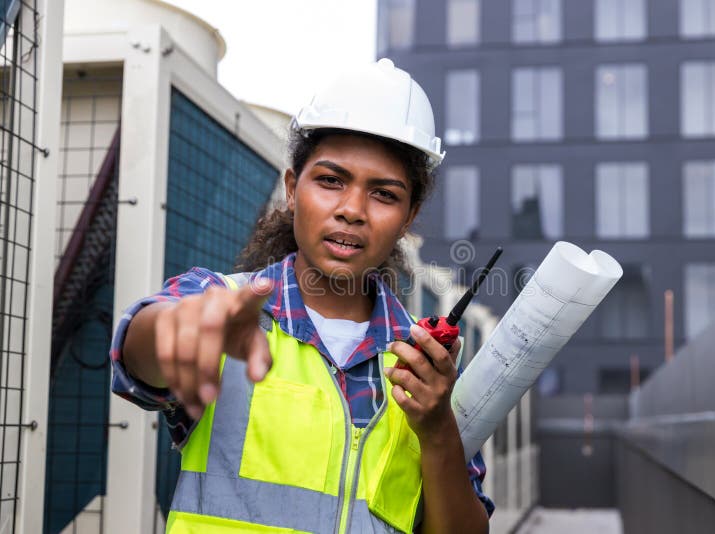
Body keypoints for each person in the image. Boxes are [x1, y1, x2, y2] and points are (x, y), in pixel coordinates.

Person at [110, 58, 493, 533]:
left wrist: (437, 431)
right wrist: (178, 328)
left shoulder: (428, 368)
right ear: (293, 189)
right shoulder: (220, 303)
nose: (352, 210)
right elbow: (136, 353)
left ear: (409, 216)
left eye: (384, 194)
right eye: (330, 181)